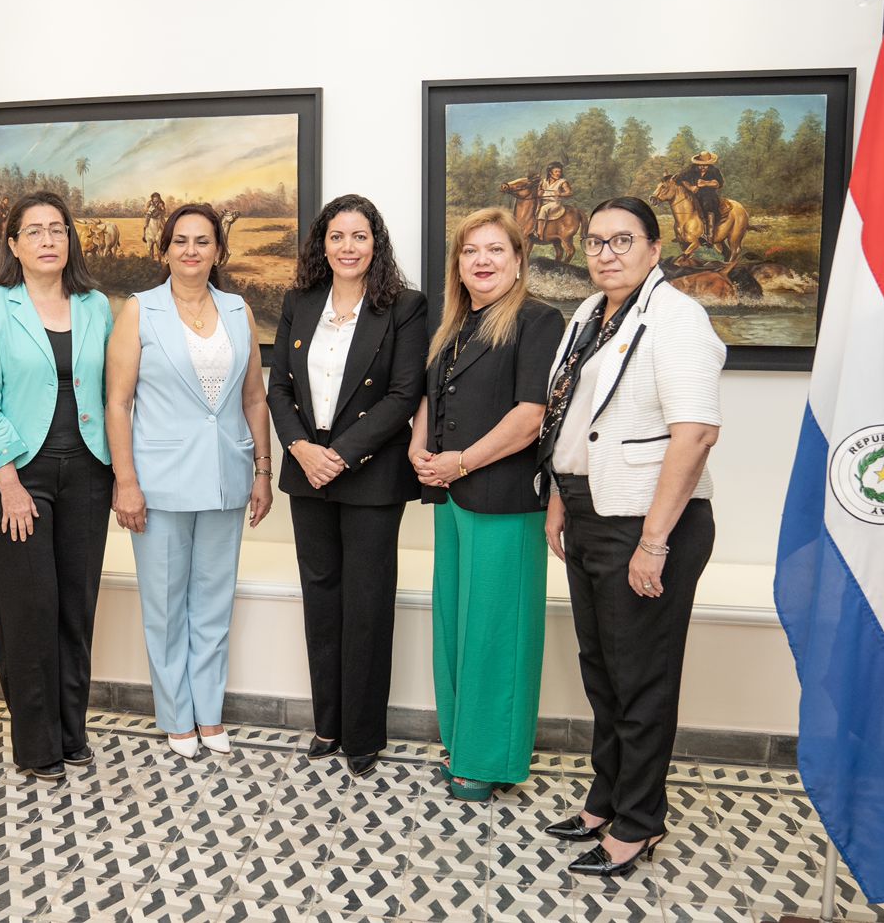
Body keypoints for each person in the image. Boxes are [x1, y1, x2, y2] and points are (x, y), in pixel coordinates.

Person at [537, 196, 724, 877]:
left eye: (622, 240)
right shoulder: (591, 315)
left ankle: (638, 823)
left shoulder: (678, 319)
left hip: (646, 523)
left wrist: (653, 541)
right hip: (589, 509)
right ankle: (606, 797)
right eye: (595, 241)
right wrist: (560, 496)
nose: (606, 253)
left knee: (641, 680)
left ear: (654, 248)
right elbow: (568, 417)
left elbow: (696, 432)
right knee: (603, 671)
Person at [267, 194, 427, 777]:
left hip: (372, 477)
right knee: (322, 602)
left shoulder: (404, 306)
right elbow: (278, 389)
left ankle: (363, 736)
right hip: (307, 474)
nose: (348, 247)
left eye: (360, 237)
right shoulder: (299, 302)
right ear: (322, 244)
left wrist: (339, 455)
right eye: (337, 236)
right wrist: (303, 450)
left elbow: (403, 395)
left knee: (366, 606)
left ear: (376, 244)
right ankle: (327, 724)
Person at [106, 203, 273, 759]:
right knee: (165, 602)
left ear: (218, 251)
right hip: (158, 482)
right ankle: (176, 715)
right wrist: (125, 481)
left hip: (227, 476)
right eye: (180, 241)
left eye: (203, 241)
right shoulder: (139, 311)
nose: (191, 251)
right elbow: (118, 401)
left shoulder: (237, 310)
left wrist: (262, 472)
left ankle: (209, 712)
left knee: (212, 601)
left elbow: (254, 397)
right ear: (165, 250)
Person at [410, 209, 564, 801]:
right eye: (470, 251)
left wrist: (462, 461)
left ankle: (488, 759)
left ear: (519, 260)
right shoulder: (453, 325)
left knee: (497, 631)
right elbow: (429, 397)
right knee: (456, 622)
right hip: (450, 495)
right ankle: (462, 739)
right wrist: (421, 449)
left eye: (495, 250)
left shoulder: (538, 321)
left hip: (503, 499)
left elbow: (530, 417)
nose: (482, 261)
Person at [0, 190, 115, 783]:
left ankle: (71, 732)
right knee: (29, 613)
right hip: (17, 477)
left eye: (57, 229)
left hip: (87, 474)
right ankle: (36, 744)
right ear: (13, 244)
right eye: (34, 231)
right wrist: (9, 482)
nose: (48, 240)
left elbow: (113, 393)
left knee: (76, 609)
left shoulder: (98, 305)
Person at [675, 151, 724, 244]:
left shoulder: (714, 171)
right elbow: (680, 179)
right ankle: (682, 234)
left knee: (708, 206)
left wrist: (706, 183)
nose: (702, 167)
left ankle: (709, 236)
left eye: (705, 165)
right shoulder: (692, 169)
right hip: (693, 195)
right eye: (700, 165)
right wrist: (690, 187)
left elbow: (719, 183)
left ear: (709, 164)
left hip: (709, 195)